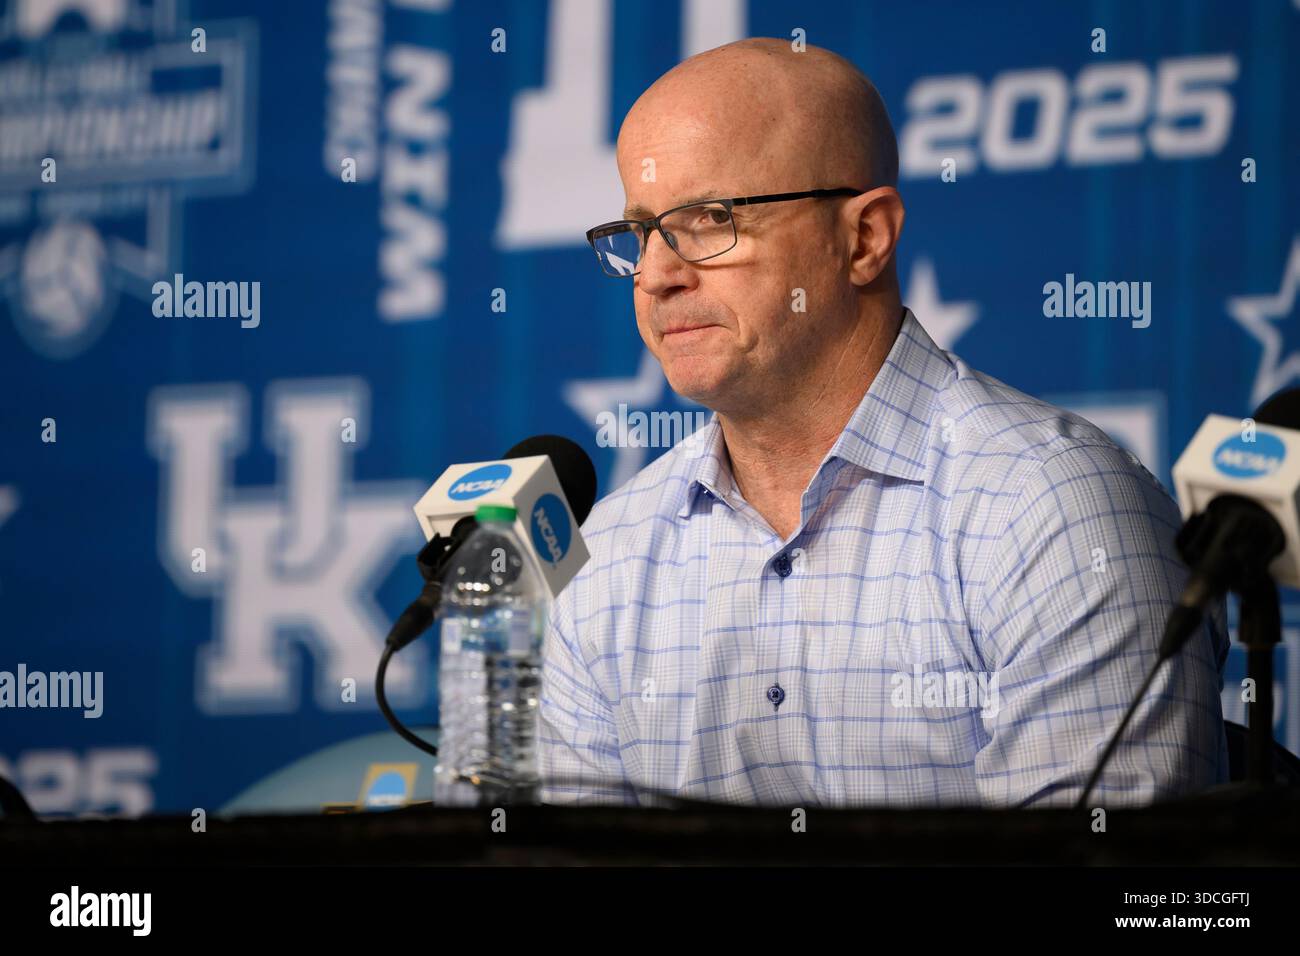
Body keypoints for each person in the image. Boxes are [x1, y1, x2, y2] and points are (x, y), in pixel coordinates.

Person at [538, 37, 1228, 807]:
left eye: (709, 219)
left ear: (864, 238)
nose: (659, 275)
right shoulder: (609, 556)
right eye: (640, 231)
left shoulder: (1052, 510)